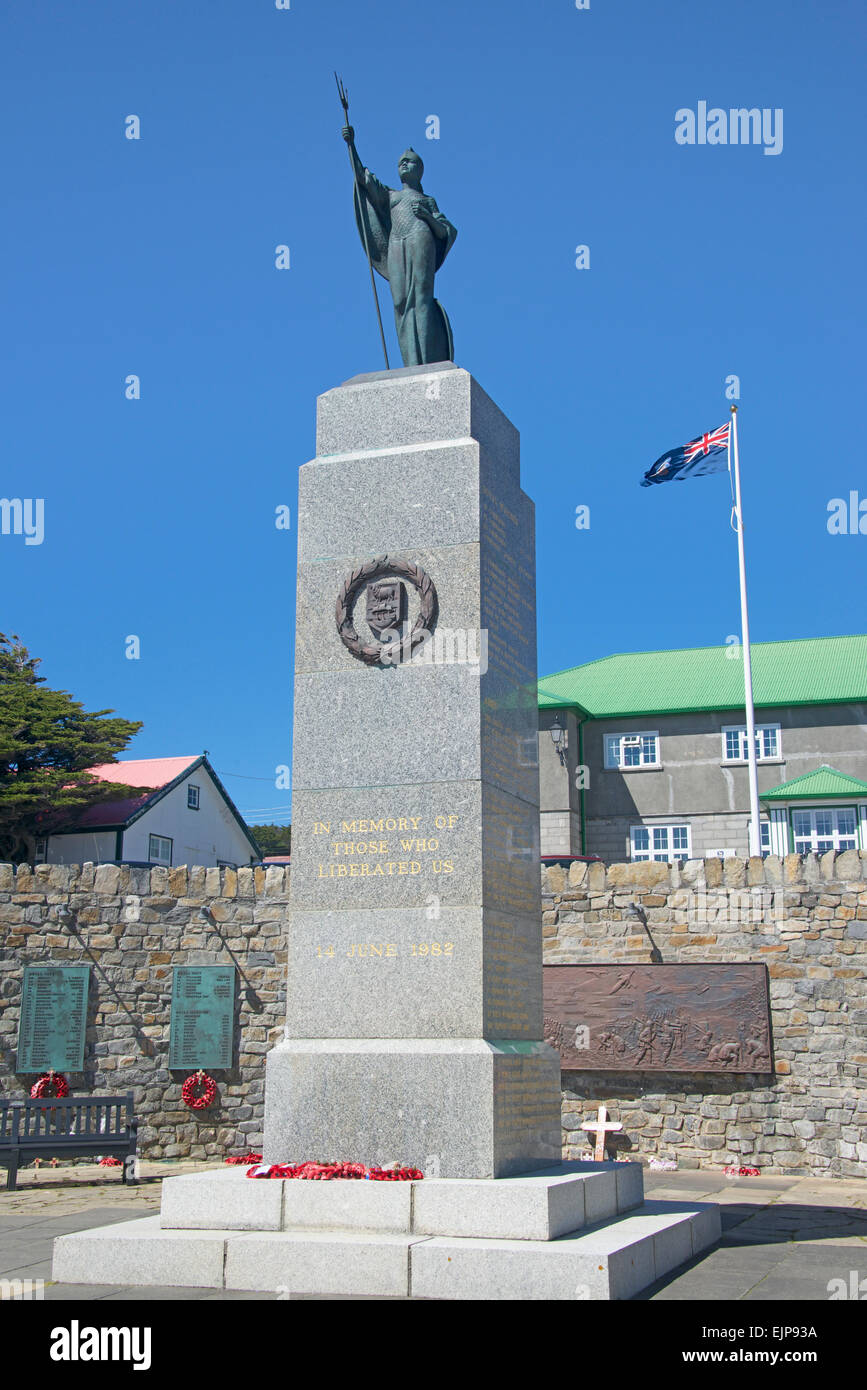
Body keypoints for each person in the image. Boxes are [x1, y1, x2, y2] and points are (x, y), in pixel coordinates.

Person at [342, 127, 457, 366]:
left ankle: (425, 361)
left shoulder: (427, 200)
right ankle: (411, 363)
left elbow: (446, 231)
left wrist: (427, 216)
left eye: (410, 162)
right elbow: (364, 179)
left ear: (420, 170)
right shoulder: (392, 196)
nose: (404, 164)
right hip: (396, 243)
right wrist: (351, 145)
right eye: (401, 163)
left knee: (421, 298)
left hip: (420, 237)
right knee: (400, 302)